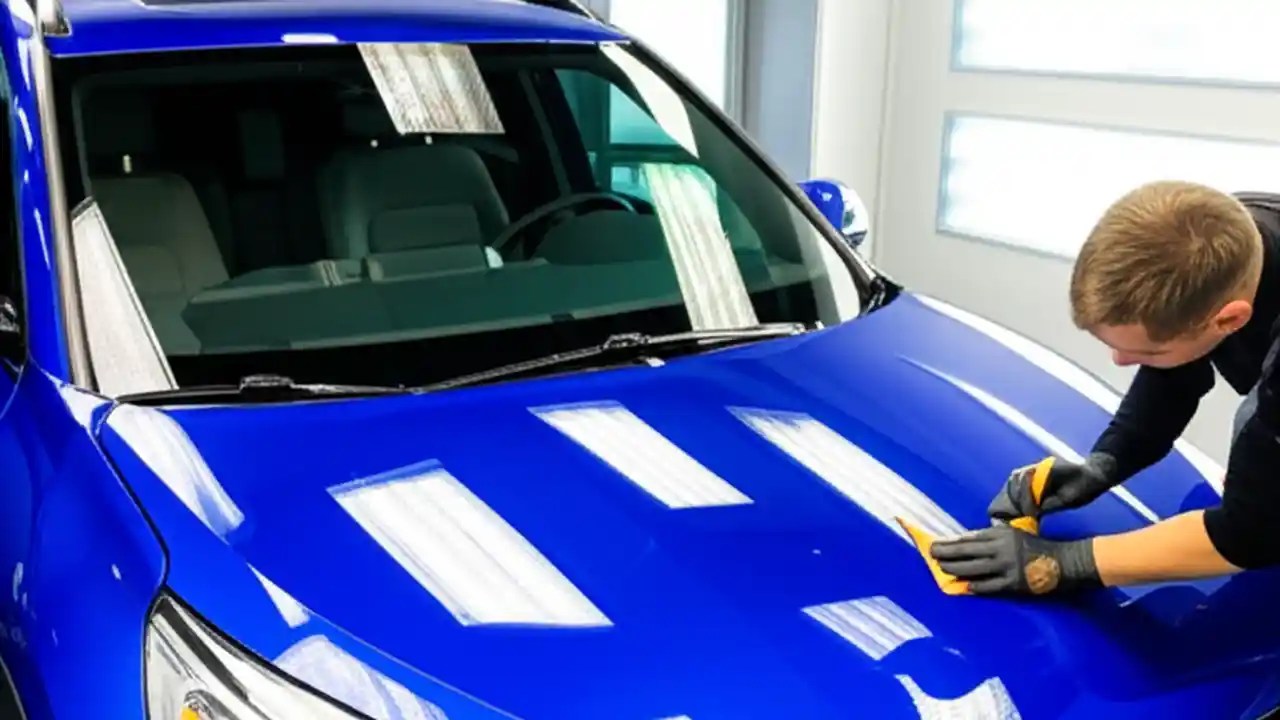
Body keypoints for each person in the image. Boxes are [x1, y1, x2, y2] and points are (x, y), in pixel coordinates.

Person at [930, 180, 1280, 596]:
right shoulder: (1222, 237)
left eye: (1148, 351)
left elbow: (1250, 536)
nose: (1121, 362)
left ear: (1229, 319)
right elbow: (1177, 372)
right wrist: (1107, 461)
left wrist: (1061, 564)